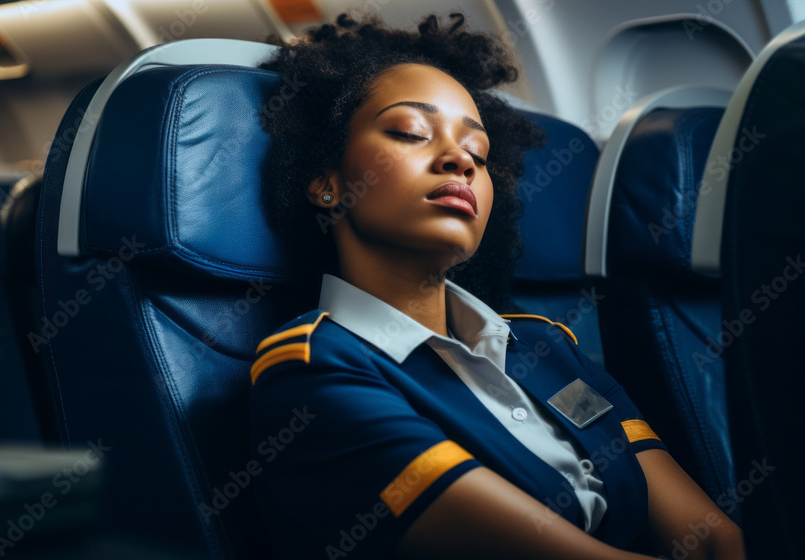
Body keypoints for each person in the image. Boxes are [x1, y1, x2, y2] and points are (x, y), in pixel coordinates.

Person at [248, 11, 744, 560]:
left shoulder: (547, 346)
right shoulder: (312, 366)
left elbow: (711, 538)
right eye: (410, 132)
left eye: (478, 154)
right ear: (327, 182)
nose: (460, 159)